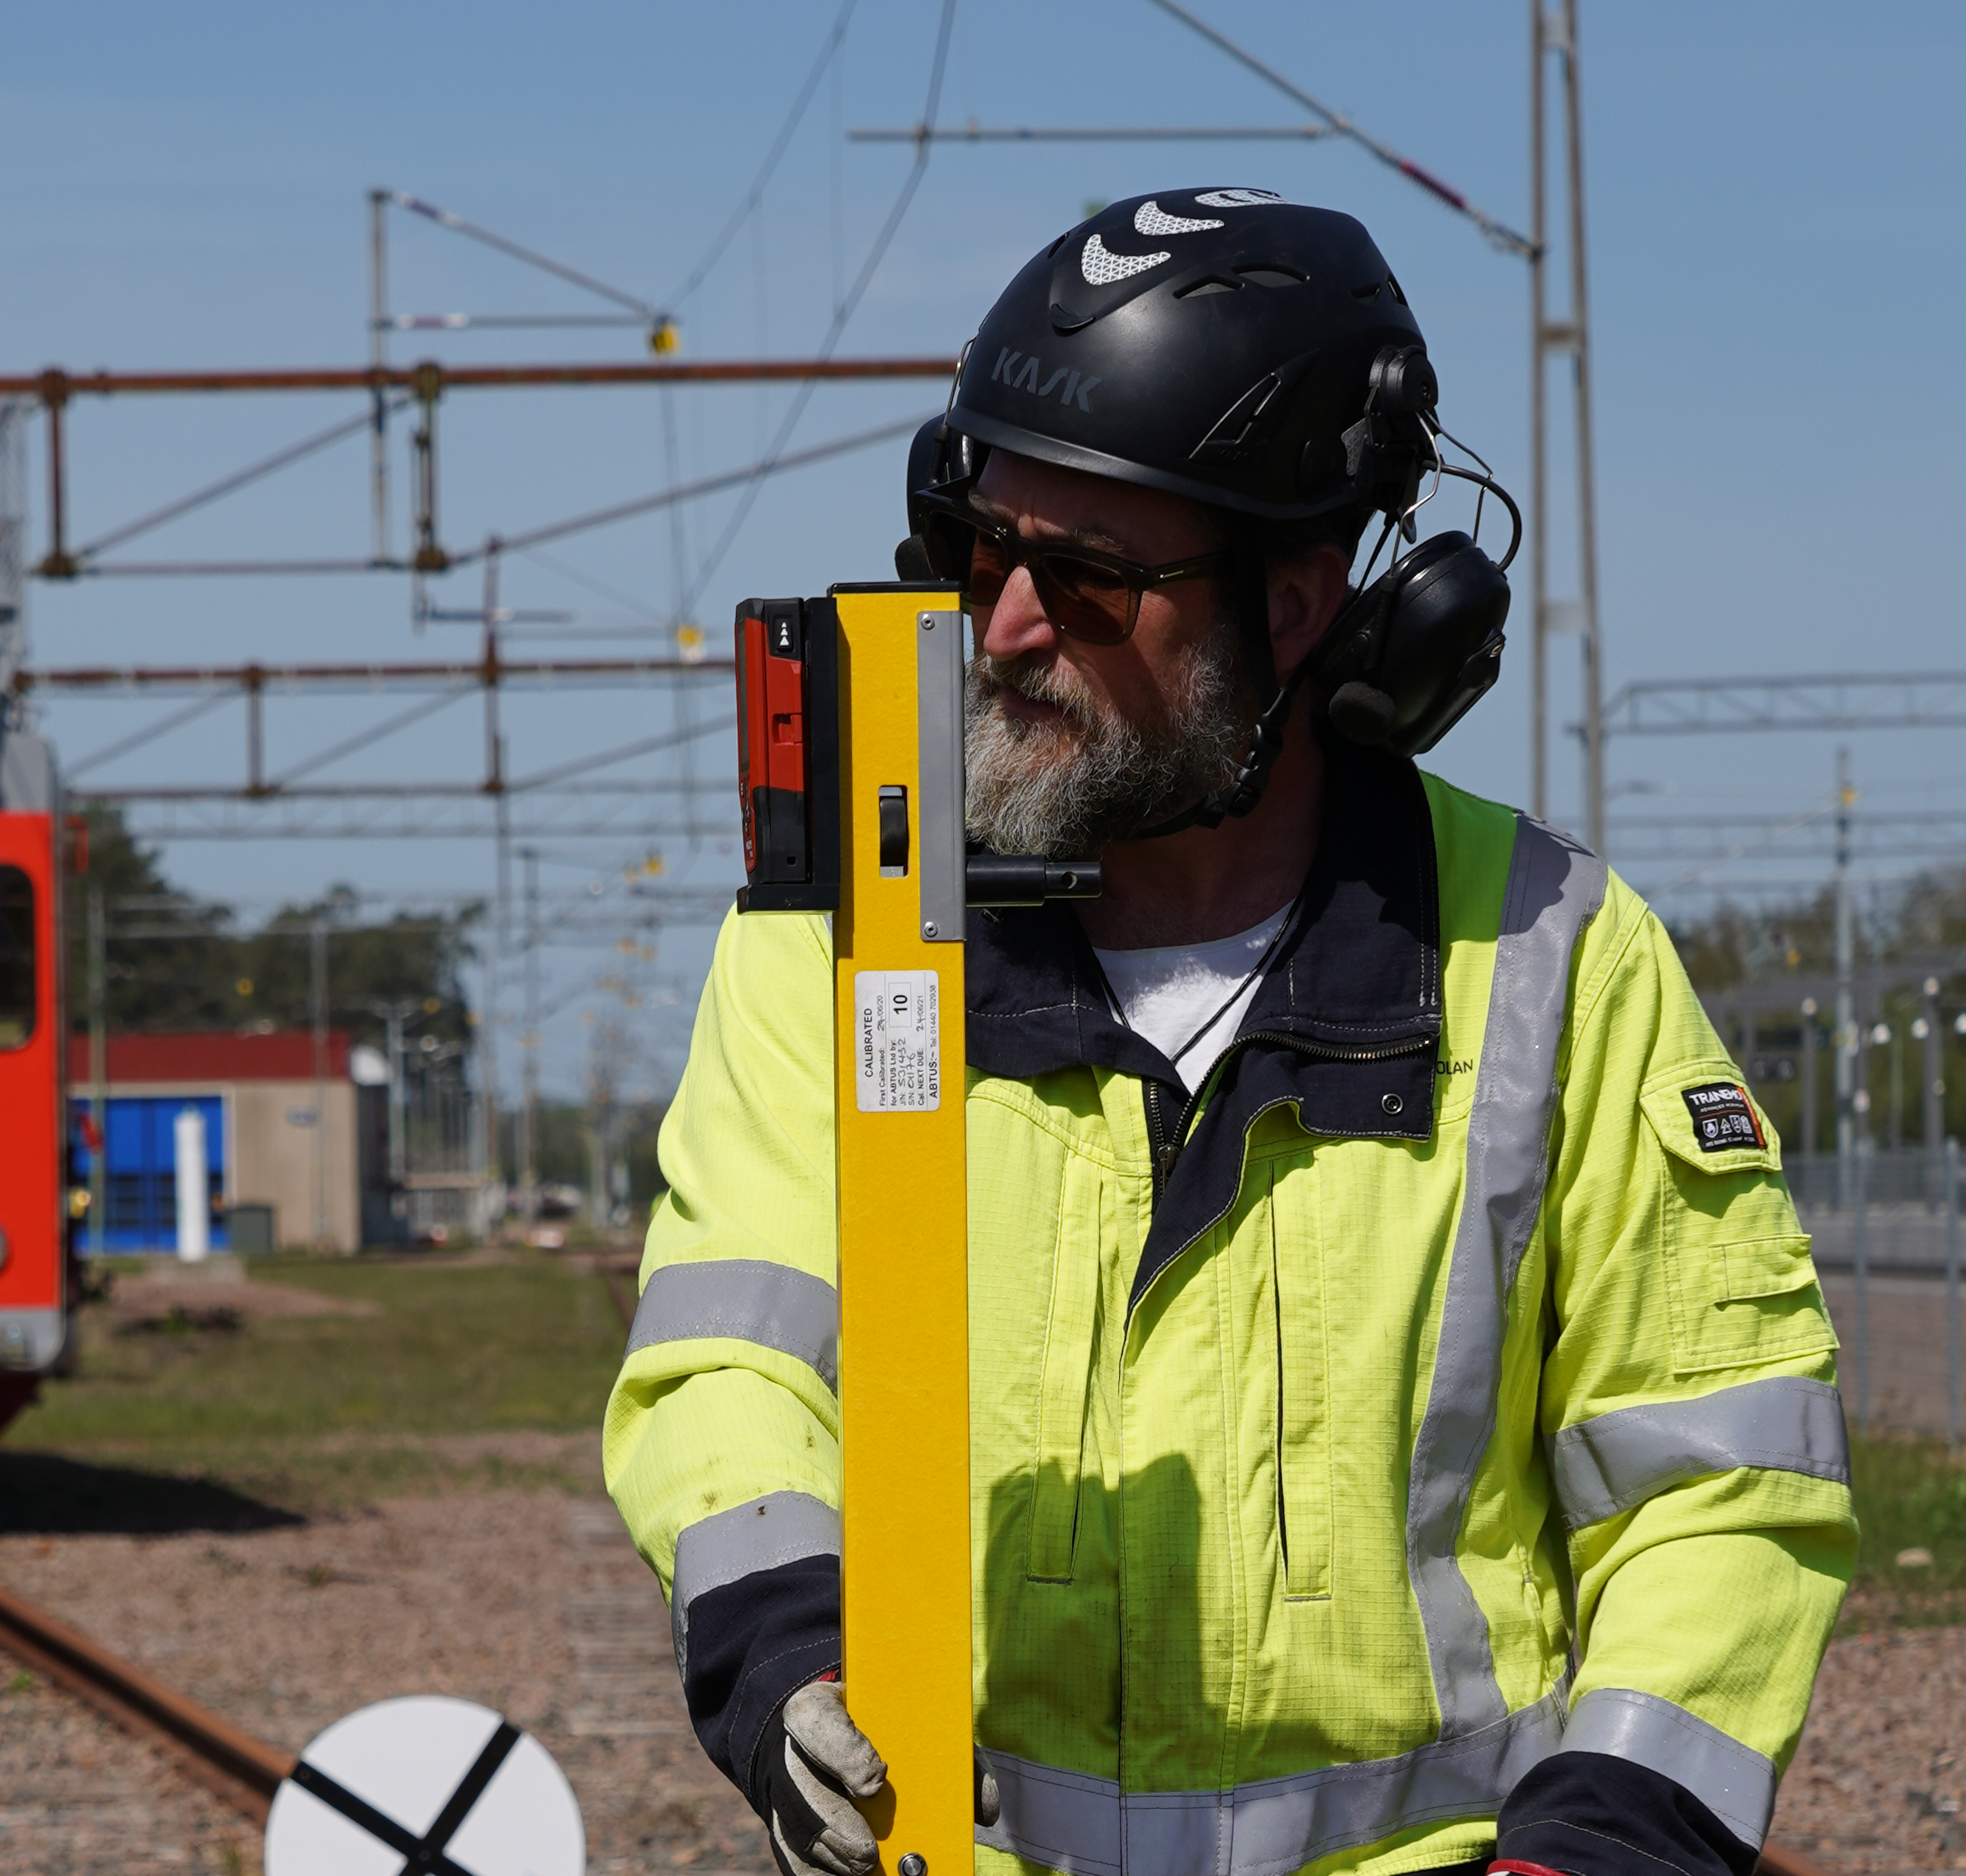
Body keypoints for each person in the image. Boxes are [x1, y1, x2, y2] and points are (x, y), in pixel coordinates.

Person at [605, 191, 1855, 1876]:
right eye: (977, 546)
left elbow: (1719, 1483)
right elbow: (729, 1368)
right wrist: (790, 1659)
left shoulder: (1550, 958)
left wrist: (1598, 1846)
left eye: (1089, 580)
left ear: (1296, 604)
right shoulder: (836, 945)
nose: (1004, 627)